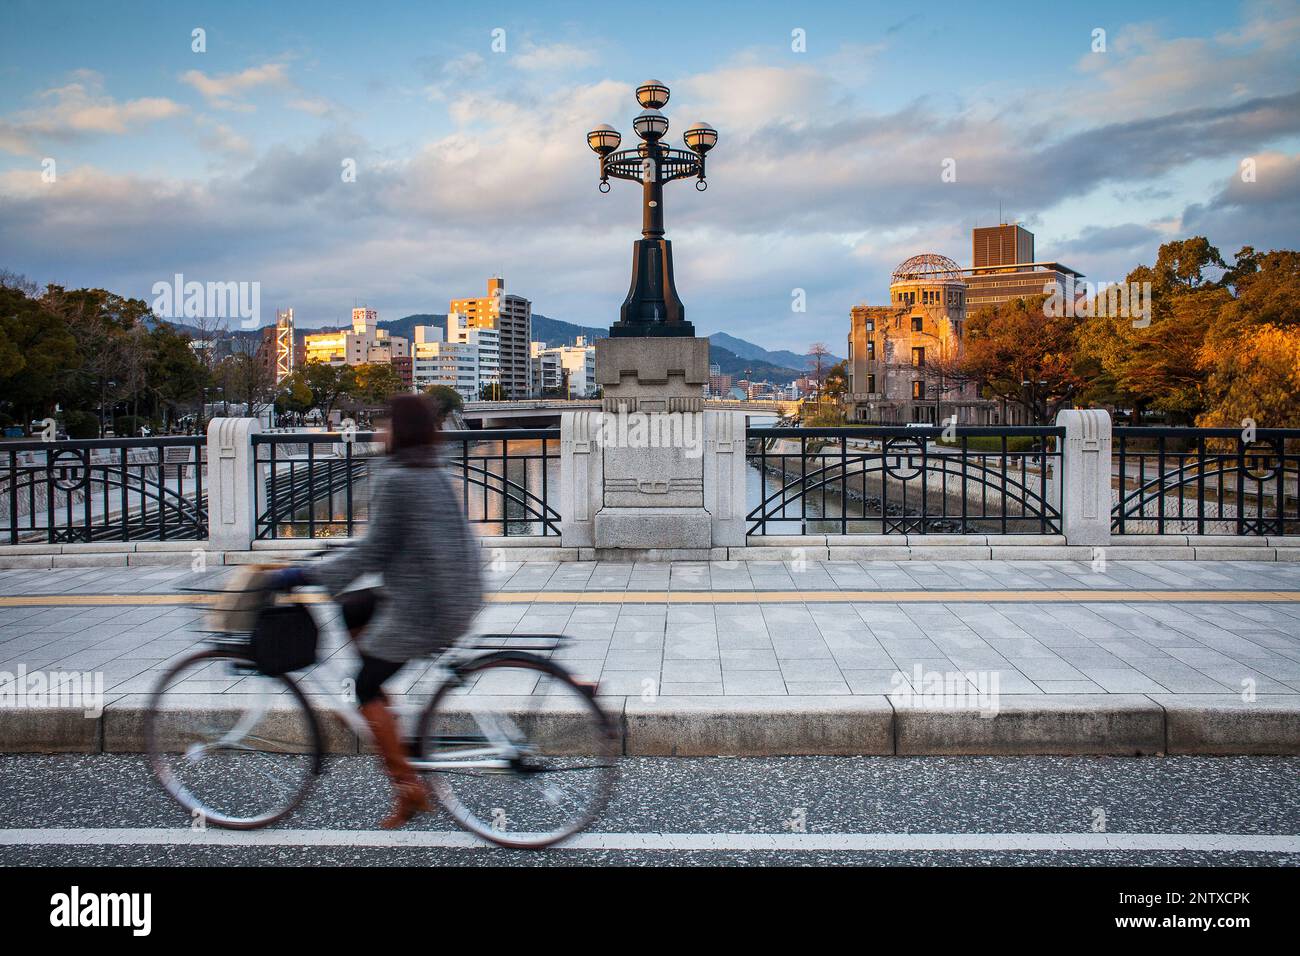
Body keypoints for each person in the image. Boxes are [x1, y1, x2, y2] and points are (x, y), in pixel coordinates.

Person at [269, 393, 483, 828]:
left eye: (386, 423)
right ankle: (386, 710)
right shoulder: (431, 468)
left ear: (398, 431)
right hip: (453, 591)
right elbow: (390, 544)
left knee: (363, 685)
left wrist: (303, 575)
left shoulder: (399, 478)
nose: (380, 430)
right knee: (350, 612)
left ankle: (408, 787)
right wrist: (335, 563)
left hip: (427, 607)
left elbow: (373, 552)